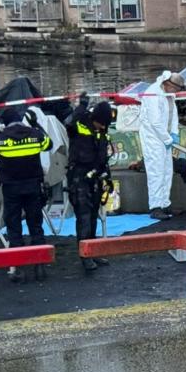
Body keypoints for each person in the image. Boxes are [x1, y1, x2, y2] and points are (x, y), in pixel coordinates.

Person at [0, 100, 52, 273]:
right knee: (35, 226)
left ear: (4, 123)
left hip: (11, 190)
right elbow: (49, 143)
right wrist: (36, 124)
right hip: (33, 188)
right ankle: (40, 266)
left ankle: (19, 267)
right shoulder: (35, 135)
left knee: (14, 227)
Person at [65, 94, 114, 273]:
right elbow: (69, 122)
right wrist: (81, 105)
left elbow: (103, 157)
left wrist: (106, 176)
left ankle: (93, 250)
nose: (103, 127)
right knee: (84, 217)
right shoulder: (79, 125)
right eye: (102, 123)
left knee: (93, 216)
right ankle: (85, 255)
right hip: (79, 177)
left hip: (96, 177)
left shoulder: (102, 131)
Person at [139, 71, 186, 220]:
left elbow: (173, 115)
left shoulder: (169, 94)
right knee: (156, 172)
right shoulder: (152, 94)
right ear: (168, 84)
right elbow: (155, 122)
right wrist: (167, 139)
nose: (176, 92)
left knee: (167, 170)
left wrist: (174, 133)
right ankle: (155, 206)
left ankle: (165, 204)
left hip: (164, 137)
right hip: (153, 138)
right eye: (176, 89)